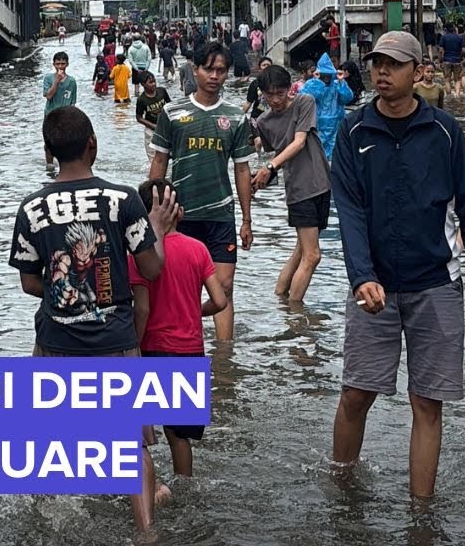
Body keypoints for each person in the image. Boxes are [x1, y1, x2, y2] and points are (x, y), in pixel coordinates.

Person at [331, 31, 465, 499]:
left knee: (428, 403)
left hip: (437, 283)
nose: (381, 73)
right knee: (356, 393)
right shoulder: (353, 131)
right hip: (374, 289)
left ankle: (421, 512)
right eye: (376, 64)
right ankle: (341, 487)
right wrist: (362, 276)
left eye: (393, 64)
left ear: (419, 71)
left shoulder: (445, 132)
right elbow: (349, 211)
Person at [9, 106, 179, 530]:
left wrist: (62, 288)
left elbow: (30, 284)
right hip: (115, 341)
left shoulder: (32, 208)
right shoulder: (124, 199)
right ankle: (146, 532)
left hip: (56, 343)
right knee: (132, 445)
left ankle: (48, 525)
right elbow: (153, 269)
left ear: (49, 150)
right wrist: (156, 228)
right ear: (93, 145)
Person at [149, 42, 254, 341]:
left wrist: (246, 220)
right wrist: (150, 213)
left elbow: (242, 169)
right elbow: (159, 162)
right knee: (183, 288)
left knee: (225, 287)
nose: (214, 76)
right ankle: (185, 344)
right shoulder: (172, 113)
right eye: (208, 68)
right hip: (180, 215)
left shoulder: (235, 117)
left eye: (221, 70)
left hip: (221, 216)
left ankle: (224, 359)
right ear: (194, 70)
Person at [128, 177, 227, 479]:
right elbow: (221, 301)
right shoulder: (198, 249)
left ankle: (147, 492)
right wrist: (193, 311)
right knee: (178, 435)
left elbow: (142, 308)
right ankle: (185, 486)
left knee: (137, 433)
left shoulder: (140, 255)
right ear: (179, 212)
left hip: (153, 347)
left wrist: (134, 348)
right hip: (191, 350)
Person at [252, 64, 332, 304]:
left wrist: (270, 167)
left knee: (302, 249)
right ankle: (295, 311)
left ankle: (280, 297)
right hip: (299, 189)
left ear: (289, 89)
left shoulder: (304, 102)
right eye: (269, 94)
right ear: (262, 94)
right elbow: (266, 150)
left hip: (321, 183)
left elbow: (299, 142)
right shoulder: (264, 121)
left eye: (280, 92)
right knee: (313, 255)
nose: (275, 99)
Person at [300, 53, 355, 160]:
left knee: (336, 156)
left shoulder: (337, 84)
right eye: (324, 74)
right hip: (317, 126)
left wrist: (341, 81)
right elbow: (305, 99)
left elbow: (347, 98)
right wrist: (316, 81)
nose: (327, 77)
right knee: (317, 155)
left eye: (329, 74)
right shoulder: (311, 84)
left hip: (336, 125)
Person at [42, 52, 77, 173]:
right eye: (58, 64)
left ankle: (66, 165)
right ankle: (50, 166)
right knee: (49, 143)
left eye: (63, 64)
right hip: (51, 114)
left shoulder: (72, 81)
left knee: (66, 142)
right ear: (54, 64)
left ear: (67, 64)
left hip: (65, 116)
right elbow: (49, 96)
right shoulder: (48, 78)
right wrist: (56, 81)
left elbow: (72, 102)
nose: (60, 66)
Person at [135, 71, 172, 161]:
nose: (154, 84)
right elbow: (139, 118)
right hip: (151, 131)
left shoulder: (162, 91)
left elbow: (170, 106)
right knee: (153, 158)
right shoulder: (142, 99)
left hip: (165, 128)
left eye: (154, 81)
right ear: (143, 84)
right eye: (150, 82)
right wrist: (153, 126)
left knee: (168, 154)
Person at [438, 25, 464, 98]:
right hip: (457, 61)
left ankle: (449, 96)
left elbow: (440, 51)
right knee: (457, 80)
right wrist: (460, 57)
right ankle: (457, 95)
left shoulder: (444, 37)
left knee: (447, 80)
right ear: (454, 30)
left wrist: (440, 61)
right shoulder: (459, 37)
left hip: (446, 60)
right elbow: (463, 50)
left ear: (446, 30)